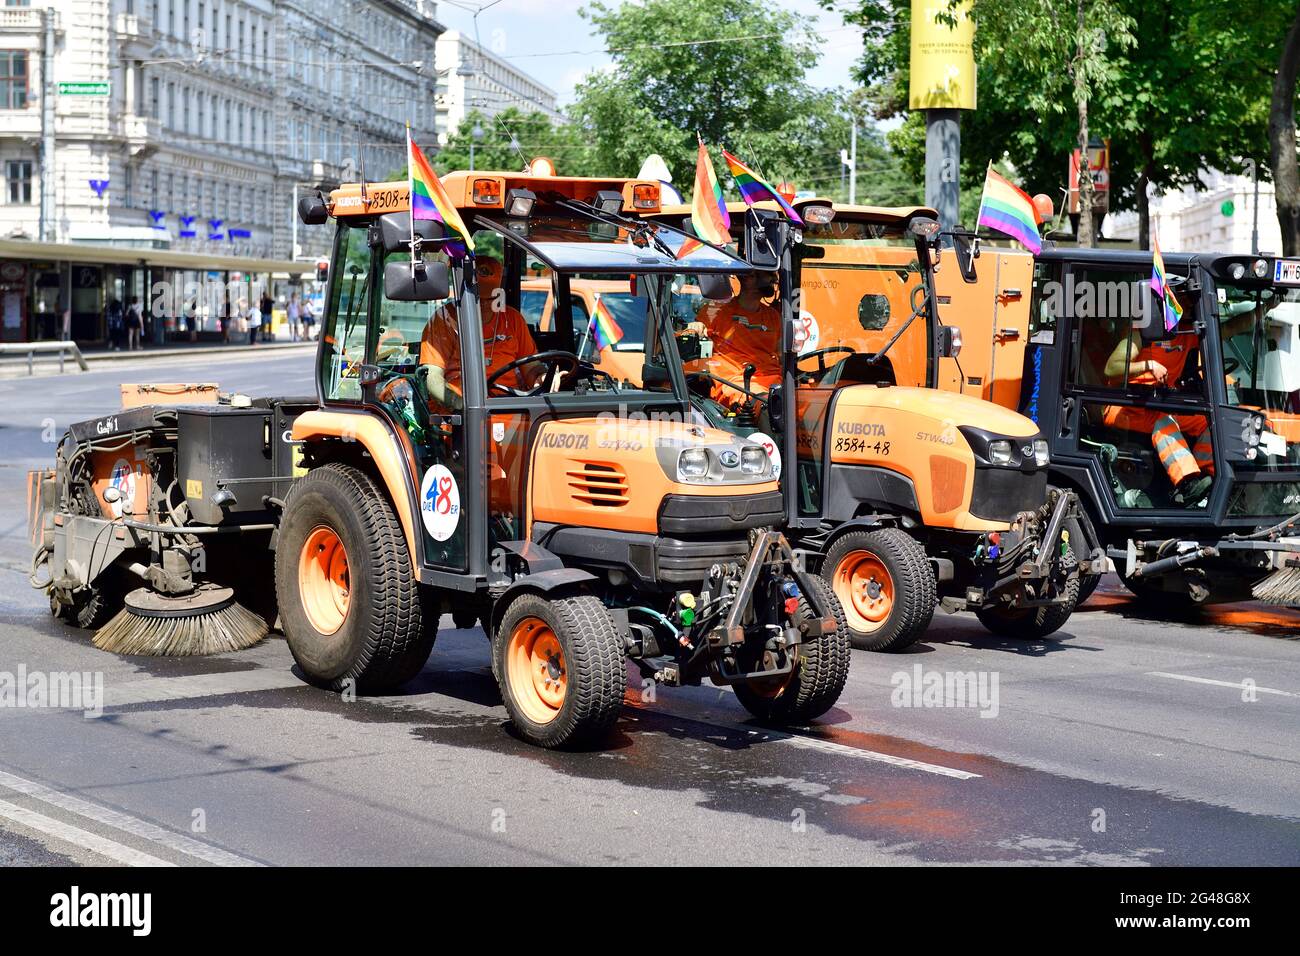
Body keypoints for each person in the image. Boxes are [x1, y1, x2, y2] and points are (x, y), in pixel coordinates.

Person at [1101, 290, 1256, 505]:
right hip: (1126, 406)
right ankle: (1187, 484)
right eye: (1182, 298)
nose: (1189, 304)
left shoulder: (1187, 333)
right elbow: (1111, 368)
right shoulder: (1142, 331)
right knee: (1164, 422)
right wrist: (1148, 365)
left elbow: (1229, 328)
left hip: (1161, 402)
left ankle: (1212, 479)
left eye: (1190, 300)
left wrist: (1263, 310)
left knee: (1210, 422)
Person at [419, 256, 540, 407]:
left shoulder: (513, 319)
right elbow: (432, 376)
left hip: (511, 409)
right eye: (477, 299)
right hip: (461, 415)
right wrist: (459, 405)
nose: (482, 305)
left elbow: (531, 368)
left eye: (489, 299)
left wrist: (542, 377)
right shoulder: (444, 320)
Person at [688, 271, 782, 409]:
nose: (774, 279)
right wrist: (696, 327)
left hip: (773, 380)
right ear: (747, 278)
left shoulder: (773, 316)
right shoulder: (717, 310)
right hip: (736, 382)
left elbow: (781, 353)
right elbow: (696, 329)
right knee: (770, 406)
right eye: (768, 274)